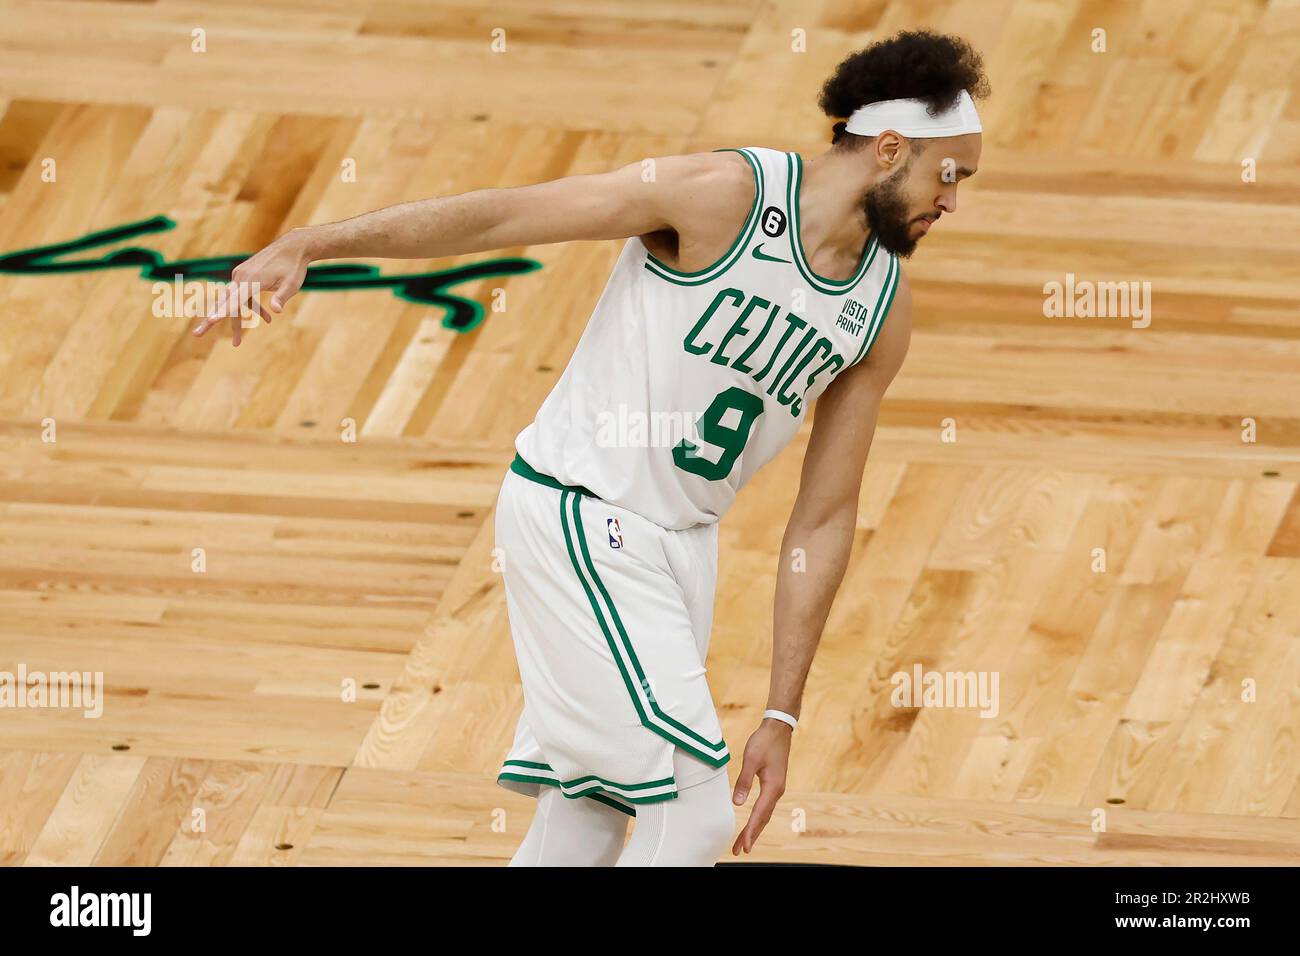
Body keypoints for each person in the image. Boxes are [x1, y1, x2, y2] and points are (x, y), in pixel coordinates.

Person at [194, 29, 988, 867]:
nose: (953, 202)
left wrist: (782, 715)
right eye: (950, 174)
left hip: (681, 551)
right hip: (583, 516)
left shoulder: (880, 309)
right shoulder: (720, 195)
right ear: (891, 149)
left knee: (588, 821)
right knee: (696, 819)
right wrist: (310, 242)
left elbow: (823, 519)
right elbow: (509, 212)